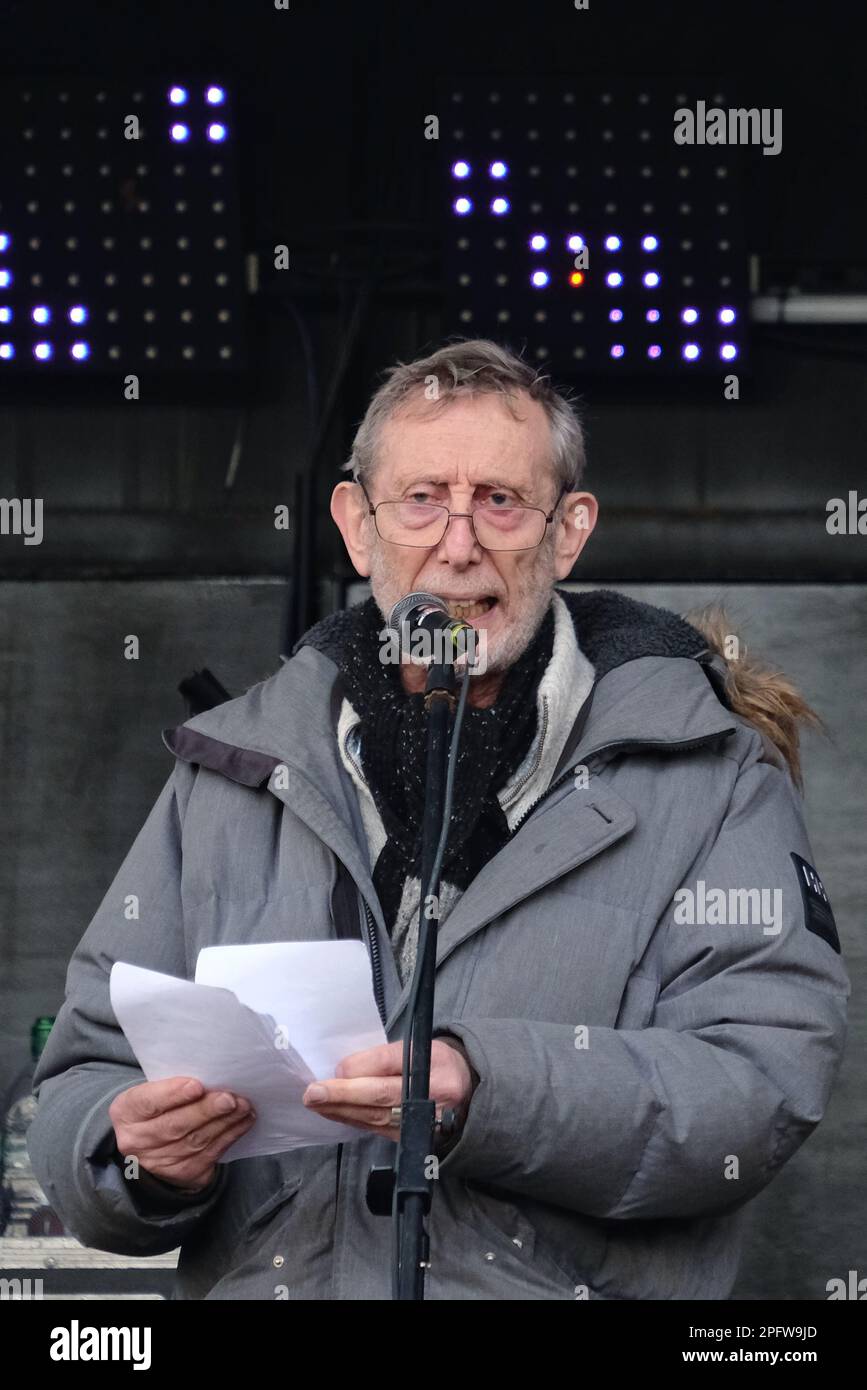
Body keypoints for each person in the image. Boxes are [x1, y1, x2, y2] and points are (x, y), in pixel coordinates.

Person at [29, 339, 849, 1300]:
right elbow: (79, 1082)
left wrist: (481, 1090)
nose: (457, 546)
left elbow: (758, 1086)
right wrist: (131, 1155)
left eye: (500, 502)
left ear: (568, 531)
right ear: (357, 526)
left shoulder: (706, 774)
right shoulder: (233, 770)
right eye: (420, 500)